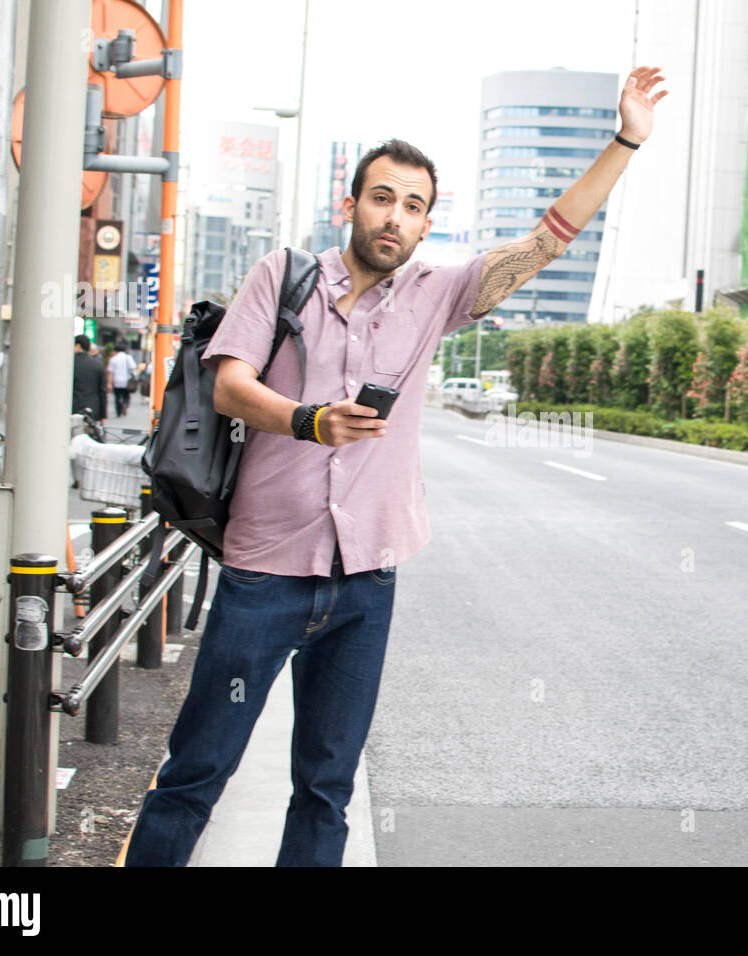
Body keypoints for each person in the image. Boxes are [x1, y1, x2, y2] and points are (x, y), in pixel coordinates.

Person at [125, 67, 668, 867]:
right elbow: (231, 386)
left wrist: (625, 140)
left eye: (413, 205)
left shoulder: (437, 296)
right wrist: (309, 421)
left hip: (364, 581)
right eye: (382, 197)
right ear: (351, 205)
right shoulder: (283, 277)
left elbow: (549, 238)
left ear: (425, 222)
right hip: (264, 571)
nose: (395, 216)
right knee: (196, 772)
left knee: (326, 787)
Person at [71, 334, 108, 423]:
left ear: (78, 346)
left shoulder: (70, 363)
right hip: (93, 409)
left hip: (72, 407)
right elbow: (103, 391)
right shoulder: (98, 364)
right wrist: (103, 415)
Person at [107, 345, 138, 417]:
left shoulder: (113, 359)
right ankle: (125, 404)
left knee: (117, 397)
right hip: (126, 381)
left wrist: (109, 383)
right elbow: (133, 368)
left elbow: (110, 372)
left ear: (115, 351)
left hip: (116, 381)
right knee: (126, 396)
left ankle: (119, 411)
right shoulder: (128, 357)